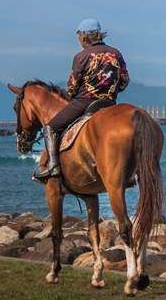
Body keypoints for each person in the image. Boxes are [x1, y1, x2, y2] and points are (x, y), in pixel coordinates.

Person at [32, 19, 130, 182]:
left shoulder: (81, 56)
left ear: (84, 37)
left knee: (50, 128)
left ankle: (53, 166)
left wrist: (78, 93)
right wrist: (112, 92)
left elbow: (71, 87)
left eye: (79, 36)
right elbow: (125, 81)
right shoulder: (116, 53)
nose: (79, 40)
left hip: (85, 102)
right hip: (109, 104)